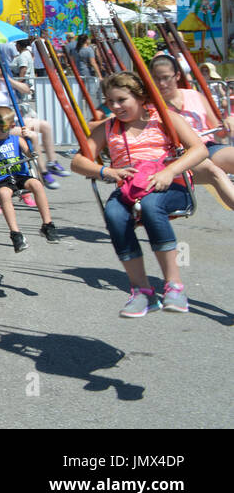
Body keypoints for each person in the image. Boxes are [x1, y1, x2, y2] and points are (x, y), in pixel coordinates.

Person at [68, 72, 205, 316]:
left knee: (152, 205)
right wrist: (107, 171)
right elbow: (77, 162)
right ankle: (142, 291)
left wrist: (169, 172)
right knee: (113, 214)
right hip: (132, 189)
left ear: (140, 97)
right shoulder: (108, 127)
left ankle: (174, 286)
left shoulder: (163, 118)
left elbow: (199, 149)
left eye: (122, 100)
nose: (115, 107)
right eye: (110, 101)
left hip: (171, 185)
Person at [148, 53, 234, 209]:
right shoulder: (150, 107)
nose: (161, 83)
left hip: (208, 147)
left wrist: (228, 122)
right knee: (215, 172)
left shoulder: (194, 96)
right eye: (156, 78)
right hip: (180, 153)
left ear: (177, 76)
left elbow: (219, 131)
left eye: (166, 78)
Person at [0, 52, 65, 188]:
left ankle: (52, 162)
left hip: (12, 119)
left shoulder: (4, 81)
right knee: (32, 135)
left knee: (45, 125)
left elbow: (26, 90)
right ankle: (42, 172)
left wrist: (10, 80)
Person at [0, 106, 60, 251]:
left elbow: (32, 155)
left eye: (1, 127)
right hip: (2, 179)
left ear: (11, 126)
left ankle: (47, 225)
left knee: (37, 185)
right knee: (4, 194)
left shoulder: (17, 140)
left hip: (20, 176)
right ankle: (15, 234)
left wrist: (32, 138)